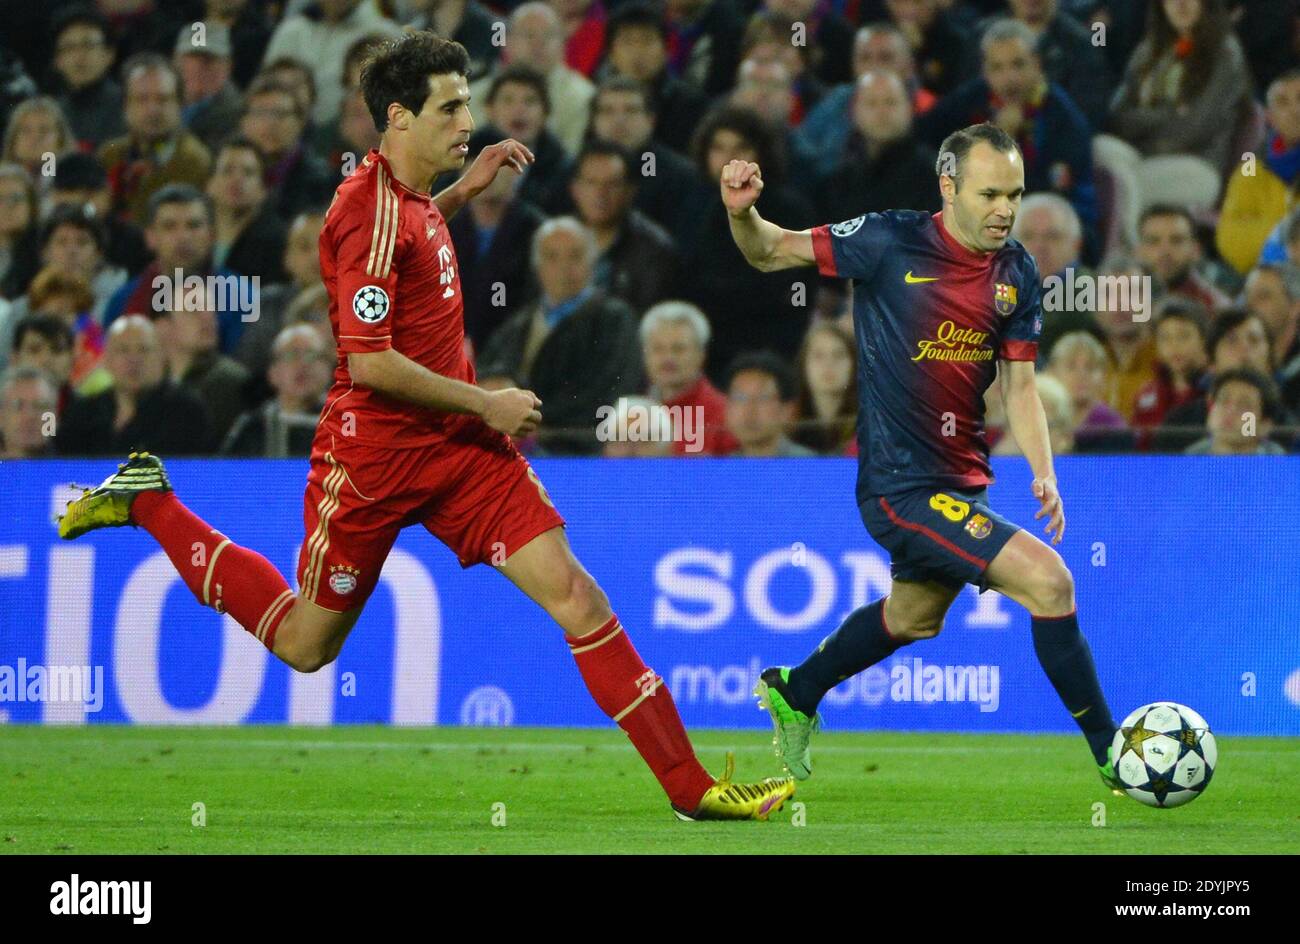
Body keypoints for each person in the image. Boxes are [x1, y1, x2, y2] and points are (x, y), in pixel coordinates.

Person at [57, 32, 791, 823]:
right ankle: (150, 503)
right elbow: (368, 363)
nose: (468, 118)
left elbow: (405, 247)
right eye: (452, 107)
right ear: (399, 117)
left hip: (464, 456)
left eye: (468, 103)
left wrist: (464, 192)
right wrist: (489, 402)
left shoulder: (406, 201)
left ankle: (692, 788)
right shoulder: (364, 209)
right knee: (308, 647)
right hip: (373, 459)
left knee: (577, 595)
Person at [722, 121, 1123, 793]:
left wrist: (1044, 472)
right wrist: (745, 213)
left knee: (914, 617)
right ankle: (1116, 754)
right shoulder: (887, 239)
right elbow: (768, 253)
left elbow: (1019, 386)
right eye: (991, 194)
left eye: (1016, 195)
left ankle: (797, 689)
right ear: (950, 186)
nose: (1005, 210)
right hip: (898, 487)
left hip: (963, 482)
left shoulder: (1017, 271)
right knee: (1050, 582)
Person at [723, 350, 817, 457]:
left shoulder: (809, 466)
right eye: (739, 398)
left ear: (787, 410)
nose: (749, 410)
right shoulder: (721, 470)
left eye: (763, 398)